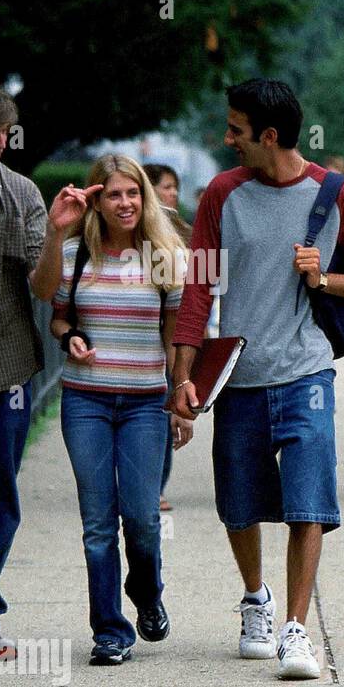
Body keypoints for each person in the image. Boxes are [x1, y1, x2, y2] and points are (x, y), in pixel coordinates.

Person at [170, 78, 344, 680]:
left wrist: (325, 280)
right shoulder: (221, 195)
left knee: (309, 501)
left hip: (307, 369)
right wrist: (182, 375)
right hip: (239, 374)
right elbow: (198, 285)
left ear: (270, 135)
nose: (227, 139)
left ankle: (296, 630)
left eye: (236, 130)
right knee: (239, 502)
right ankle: (257, 598)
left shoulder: (337, 195)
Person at [33, 155, 190, 664]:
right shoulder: (77, 254)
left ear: (144, 199)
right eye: (113, 194)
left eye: (133, 193)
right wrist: (71, 334)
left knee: (142, 518)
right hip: (86, 402)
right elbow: (51, 308)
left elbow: (175, 340)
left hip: (144, 403)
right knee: (98, 522)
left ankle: (147, 594)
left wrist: (179, 400)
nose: (124, 203)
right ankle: (110, 631)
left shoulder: (163, 258)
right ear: (96, 201)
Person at [0, 76, 48, 663]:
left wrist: (61, 233)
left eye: (4, 131)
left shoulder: (19, 193)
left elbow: (45, 286)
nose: (3, 141)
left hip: (6, 370)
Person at [143, 162, 190, 513]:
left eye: (175, 187)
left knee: (165, 410)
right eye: (166, 186)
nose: (173, 193)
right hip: (142, 336)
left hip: (169, 336)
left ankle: (156, 485)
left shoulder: (179, 232)